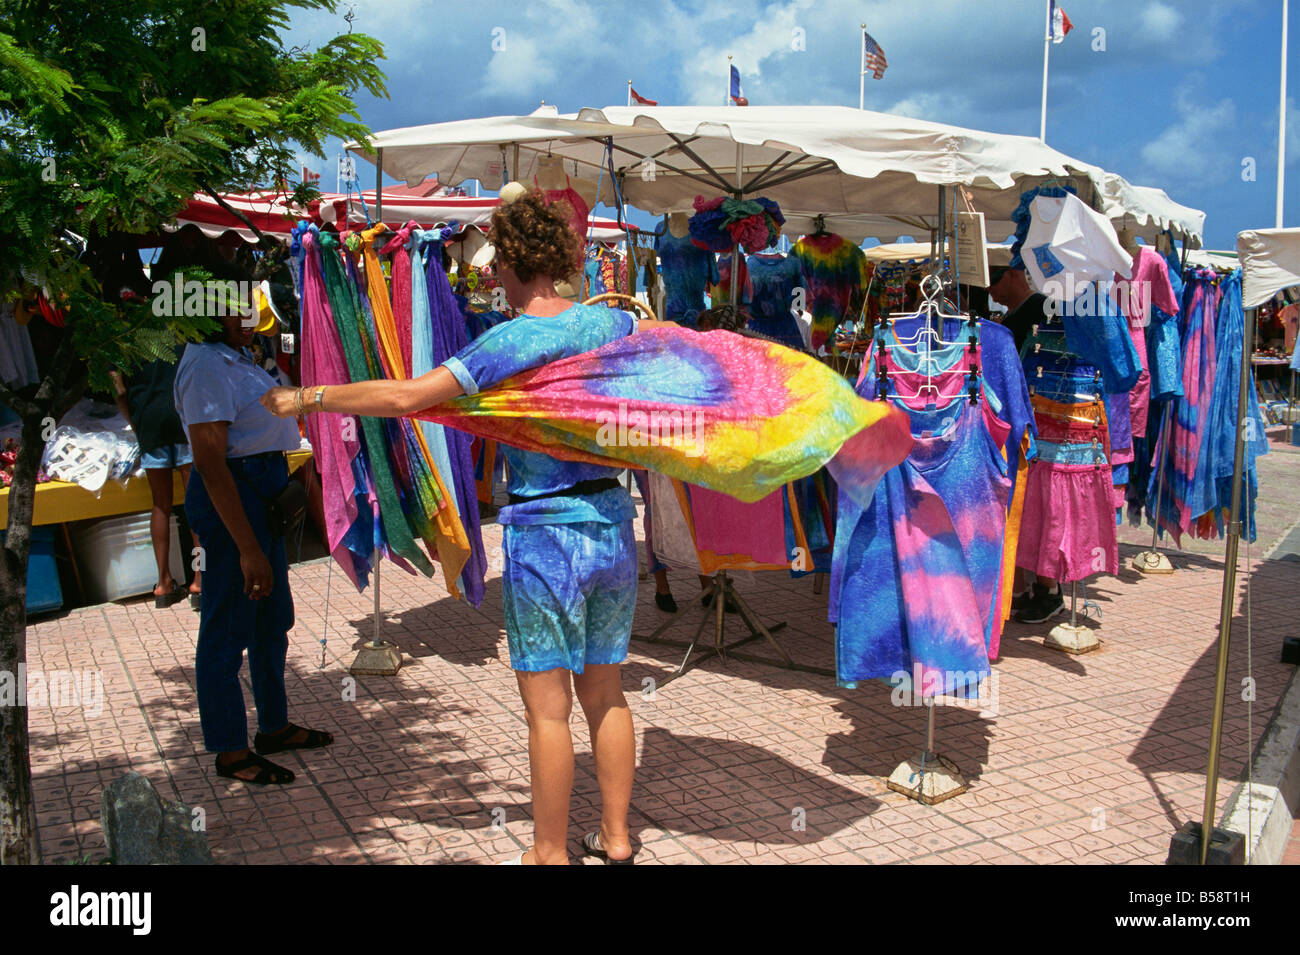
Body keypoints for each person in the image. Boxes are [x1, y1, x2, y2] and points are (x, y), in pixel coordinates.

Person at [263, 187, 677, 864]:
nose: (490, 274)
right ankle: (618, 837)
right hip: (611, 526)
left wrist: (309, 394)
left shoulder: (506, 344)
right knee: (606, 690)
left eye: (495, 263)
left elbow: (403, 398)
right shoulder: (613, 328)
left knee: (549, 710)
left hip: (545, 538)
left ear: (514, 261)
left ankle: (548, 853)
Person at [174, 302, 334, 786]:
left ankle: (273, 726)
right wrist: (246, 548)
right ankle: (229, 750)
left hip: (260, 495)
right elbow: (209, 461)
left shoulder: (237, 356)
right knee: (227, 630)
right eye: (235, 312)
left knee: (271, 620)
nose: (249, 320)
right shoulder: (204, 364)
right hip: (234, 503)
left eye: (250, 310)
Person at [112, 346, 201, 608]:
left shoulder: (124, 336)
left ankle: (163, 583)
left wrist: (137, 422)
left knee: (161, 505)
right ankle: (199, 579)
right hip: (182, 416)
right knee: (195, 502)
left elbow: (118, 389)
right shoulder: (182, 328)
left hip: (148, 421)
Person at [987, 263, 1052, 352]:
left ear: (1013, 273)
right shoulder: (1011, 314)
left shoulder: (1043, 308)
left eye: (993, 279)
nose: (987, 288)